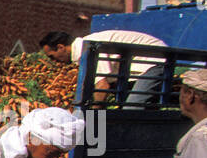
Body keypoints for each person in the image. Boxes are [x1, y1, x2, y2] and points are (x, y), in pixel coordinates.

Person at [38, 29, 167, 104]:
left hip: (155, 60)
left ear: (60, 47)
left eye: (52, 56)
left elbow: (103, 86)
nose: (54, 61)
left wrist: (94, 116)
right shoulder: (85, 48)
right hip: (140, 65)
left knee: (132, 108)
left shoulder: (88, 48)